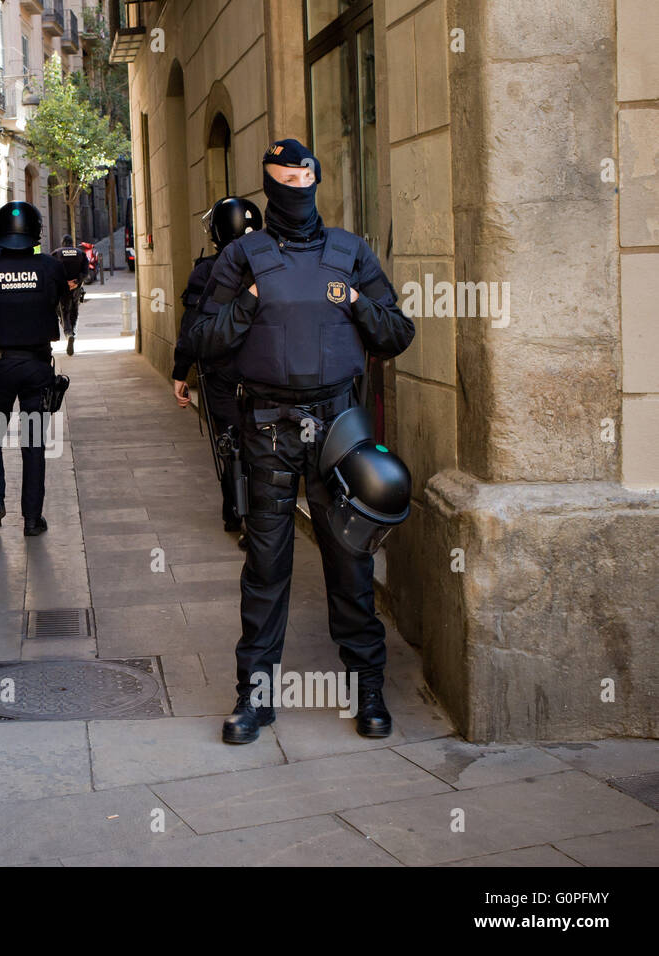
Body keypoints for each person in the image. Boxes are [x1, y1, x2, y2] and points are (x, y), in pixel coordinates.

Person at [188, 141, 415, 745]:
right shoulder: (242, 256)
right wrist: (250, 304)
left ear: (316, 179)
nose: (295, 185)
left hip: (339, 429)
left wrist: (358, 302)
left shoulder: (350, 252)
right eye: (283, 178)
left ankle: (368, 689)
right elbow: (205, 337)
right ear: (267, 185)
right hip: (268, 430)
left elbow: (396, 333)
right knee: (266, 567)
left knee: (350, 562)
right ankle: (254, 698)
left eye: (303, 175)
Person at [0, 201, 73, 535]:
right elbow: (61, 300)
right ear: (36, 230)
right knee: (33, 443)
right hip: (37, 366)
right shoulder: (50, 267)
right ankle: (32, 518)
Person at [172, 196, 263, 545]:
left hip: (222, 370)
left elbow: (193, 324)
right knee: (257, 440)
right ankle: (245, 513)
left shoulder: (207, 271)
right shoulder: (272, 265)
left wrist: (182, 371)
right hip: (262, 369)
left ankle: (238, 513)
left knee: (229, 442)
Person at [51, 234, 88, 355]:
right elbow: (85, 271)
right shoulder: (80, 253)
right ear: (72, 243)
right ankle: (73, 334)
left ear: (62, 243)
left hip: (62, 288)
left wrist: (64, 282)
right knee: (74, 311)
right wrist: (76, 282)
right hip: (76, 288)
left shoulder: (56, 253)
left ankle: (68, 334)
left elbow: (51, 270)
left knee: (63, 311)